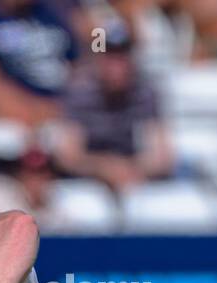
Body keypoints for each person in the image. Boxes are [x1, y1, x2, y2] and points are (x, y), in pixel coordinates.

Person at [55, 23, 172, 193]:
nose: (117, 67)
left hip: (134, 174)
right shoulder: (79, 91)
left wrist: (132, 169)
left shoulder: (144, 92)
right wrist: (104, 167)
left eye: (122, 57)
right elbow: (68, 156)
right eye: (110, 57)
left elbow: (162, 155)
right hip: (86, 179)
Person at [0, 0, 78, 124]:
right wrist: (35, 113)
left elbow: (76, 64)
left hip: (65, 110)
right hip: (13, 118)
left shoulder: (50, 10)